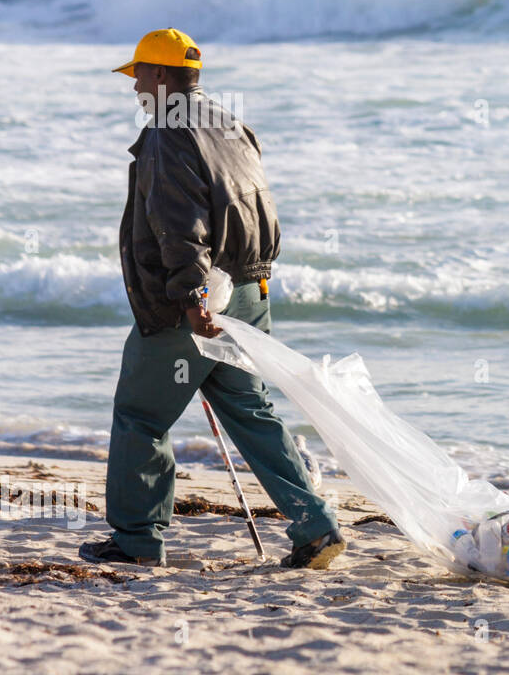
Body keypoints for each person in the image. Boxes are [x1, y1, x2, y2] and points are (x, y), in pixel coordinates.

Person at [79, 28, 344, 569]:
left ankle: (136, 542)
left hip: (193, 303)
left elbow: (180, 227)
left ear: (159, 75)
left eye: (138, 77)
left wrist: (194, 297)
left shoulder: (168, 133)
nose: (134, 89)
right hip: (249, 289)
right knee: (251, 410)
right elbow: (258, 210)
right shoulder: (231, 123)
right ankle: (315, 528)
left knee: (140, 417)